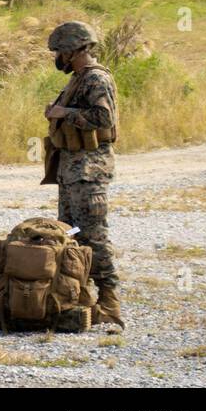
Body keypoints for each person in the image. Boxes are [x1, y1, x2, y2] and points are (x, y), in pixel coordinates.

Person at [43, 21, 124, 330]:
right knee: (71, 235)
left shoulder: (96, 79)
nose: (57, 58)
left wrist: (65, 113)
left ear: (72, 50)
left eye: (59, 52)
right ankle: (82, 297)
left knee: (94, 236)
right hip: (71, 172)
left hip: (90, 172)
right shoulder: (78, 80)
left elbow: (104, 117)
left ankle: (109, 301)